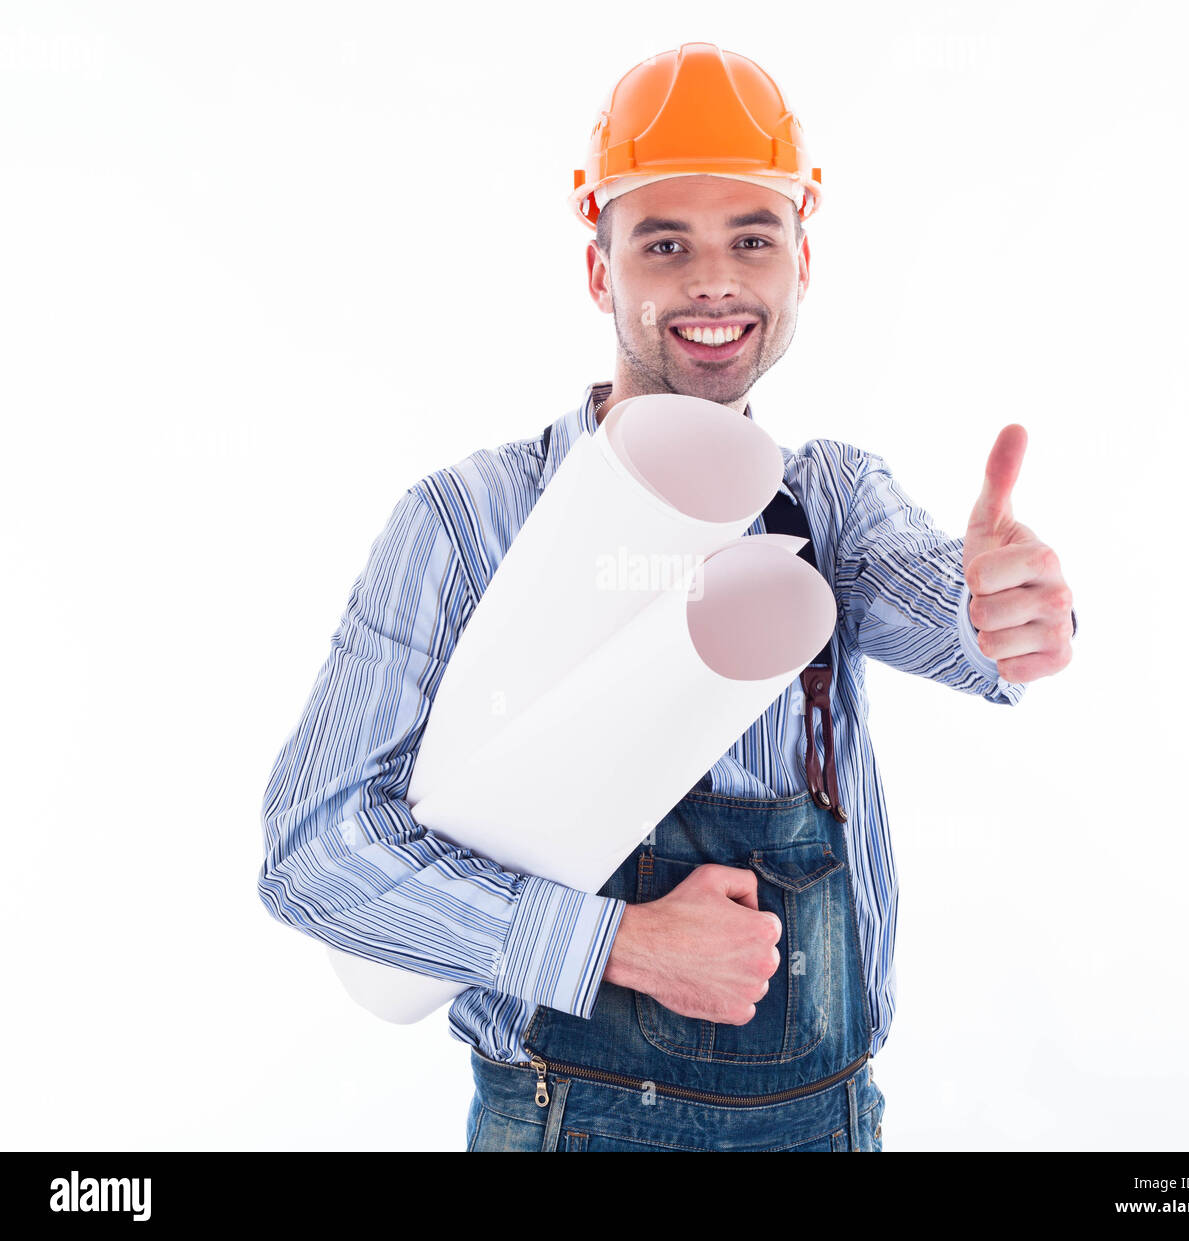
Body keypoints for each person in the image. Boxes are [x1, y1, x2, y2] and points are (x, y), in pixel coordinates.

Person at [258, 42, 1077, 1153]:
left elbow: (953, 611)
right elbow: (315, 851)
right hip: (566, 1118)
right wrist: (615, 943)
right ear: (600, 269)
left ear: (800, 260)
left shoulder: (831, 505)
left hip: (827, 1121)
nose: (713, 281)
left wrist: (1010, 612)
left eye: (752, 236)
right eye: (663, 243)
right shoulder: (465, 521)